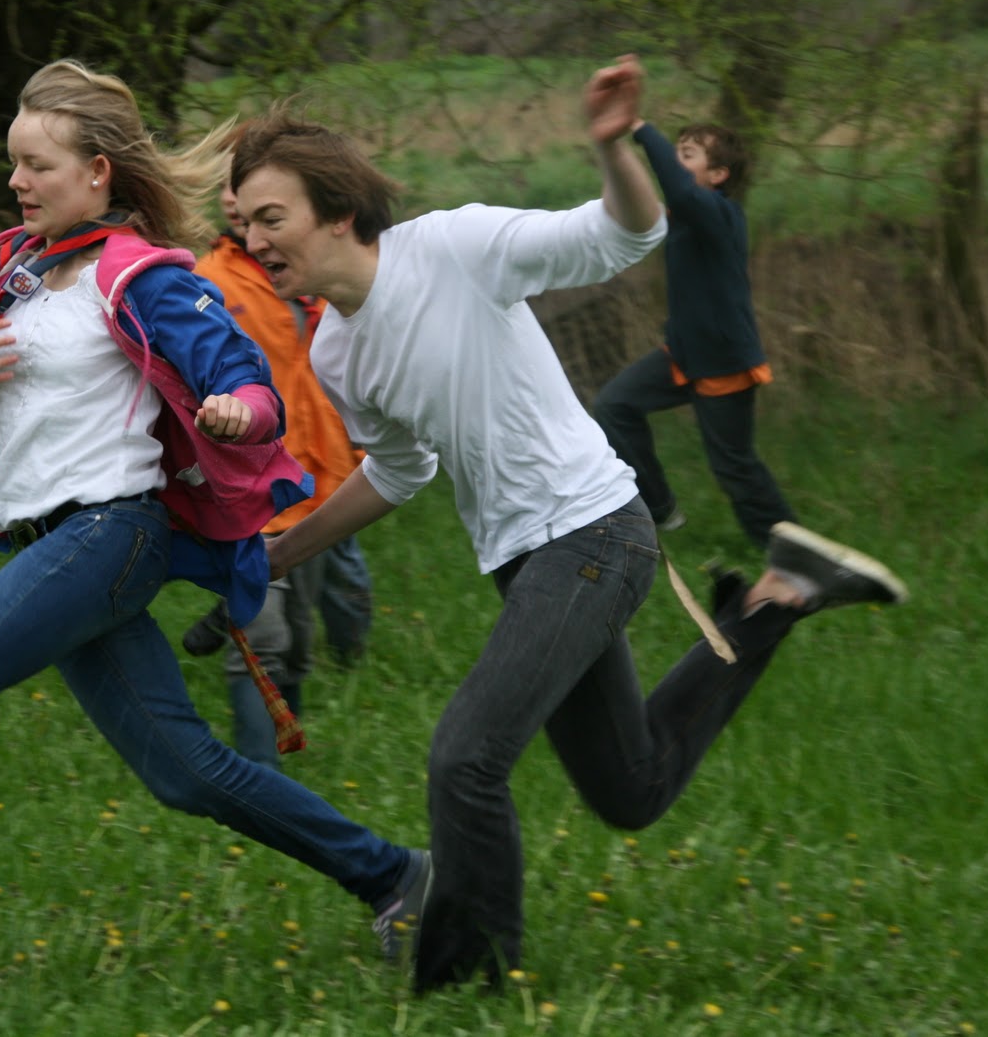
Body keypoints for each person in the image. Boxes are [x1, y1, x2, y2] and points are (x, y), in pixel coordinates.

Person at [228, 55, 908, 994]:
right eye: (244, 224)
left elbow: (622, 233)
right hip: (525, 560)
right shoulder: (336, 347)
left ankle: (468, 985)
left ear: (338, 212)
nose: (256, 241)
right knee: (630, 788)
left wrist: (615, 146)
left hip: (592, 534)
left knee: (465, 757)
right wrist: (275, 554)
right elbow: (400, 468)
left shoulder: (456, 248)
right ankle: (773, 600)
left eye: (272, 218)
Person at [0, 59, 431, 1003]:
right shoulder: (9, 269)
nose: (17, 182)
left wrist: (235, 416)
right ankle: (397, 876)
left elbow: (251, 383)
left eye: (38, 165)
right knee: (182, 768)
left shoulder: (142, 277)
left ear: (98, 172)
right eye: (13, 164)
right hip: (49, 540)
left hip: (109, 533)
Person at [182, 175, 375, 769]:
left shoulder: (312, 274)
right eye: (237, 191)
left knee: (295, 637)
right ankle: (257, 780)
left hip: (317, 484)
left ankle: (286, 755)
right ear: (228, 201)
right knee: (263, 641)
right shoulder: (207, 281)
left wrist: (360, 453)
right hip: (246, 487)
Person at [592, 117, 794, 546]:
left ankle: (786, 547)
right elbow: (646, 208)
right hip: (682, 354)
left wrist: (641, 128)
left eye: (687, 155)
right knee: (614, 405)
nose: (676, 161)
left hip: (722, 360)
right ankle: (661, 508)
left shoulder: (720, 213)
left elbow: (680, 190)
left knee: (733, 466)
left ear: (717, 175)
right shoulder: (687, 216)